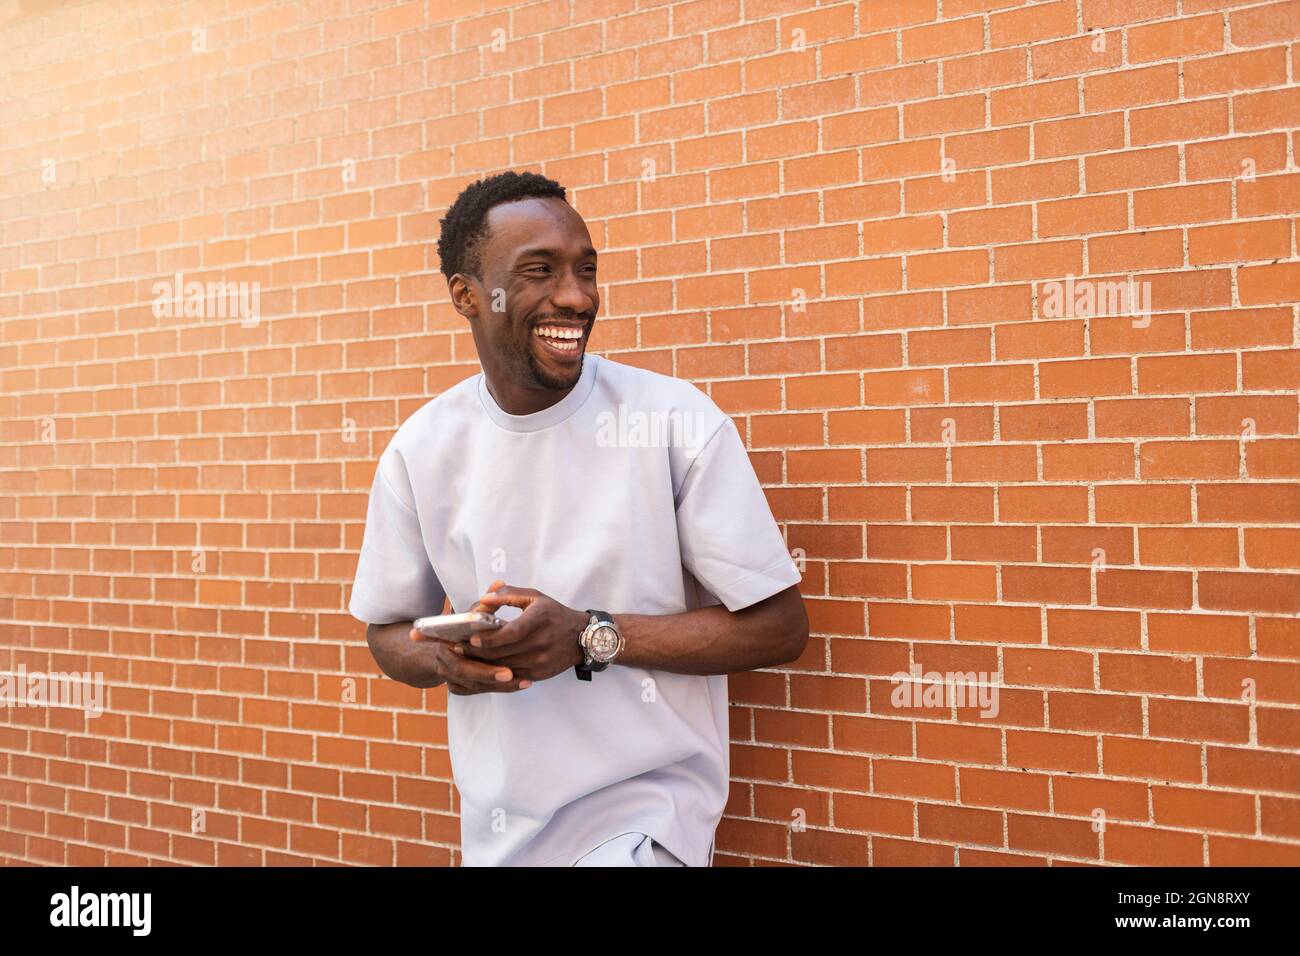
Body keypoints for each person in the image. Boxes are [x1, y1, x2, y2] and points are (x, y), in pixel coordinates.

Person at [348, 170, 809, 867]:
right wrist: (449, 657)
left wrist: (592, 636)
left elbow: (780, 627)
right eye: (540, 271)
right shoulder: (420, 451)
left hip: (646, 826)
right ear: (467, 295)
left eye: (586, 270)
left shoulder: (675, 421)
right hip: (501, 836)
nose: (577, 296)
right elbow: (387, 633)